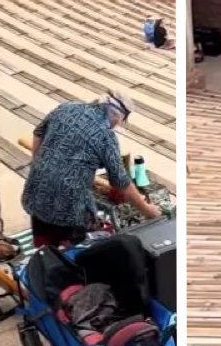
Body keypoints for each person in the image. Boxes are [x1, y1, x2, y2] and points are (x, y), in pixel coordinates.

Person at [22, 93, 161, 249]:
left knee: (45, 243)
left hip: (36, 187)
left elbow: (38, 133)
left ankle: (43, 260)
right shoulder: (105, 136)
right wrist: (147, 209)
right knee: (74, 250)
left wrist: (39, 164)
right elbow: (121, 183)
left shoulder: (67, 107)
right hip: (68, 203)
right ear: (117, 118)